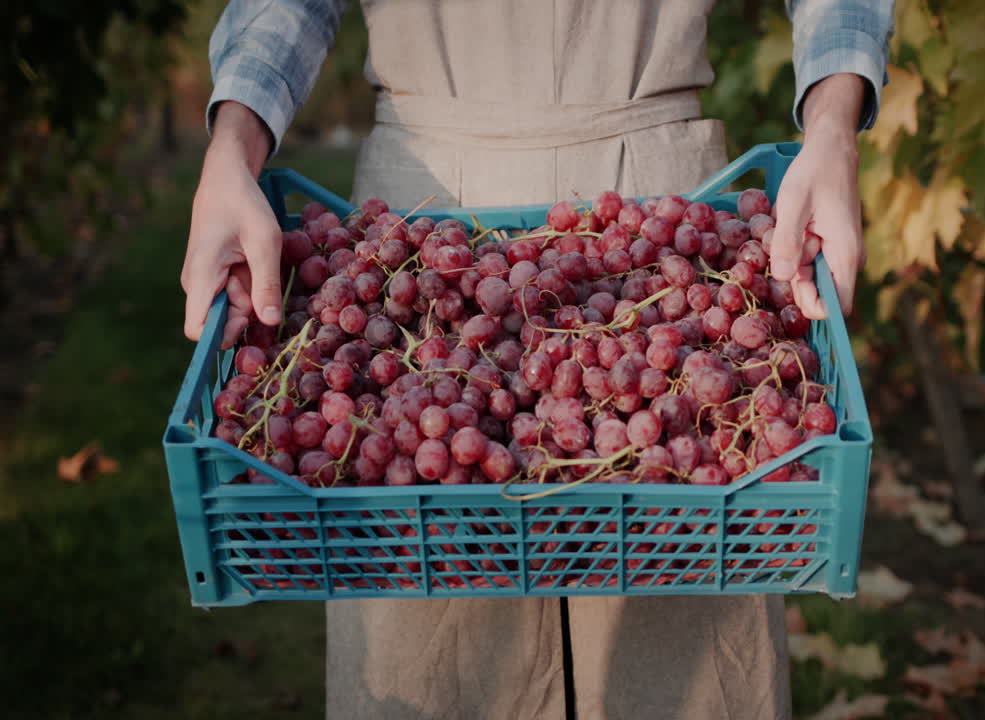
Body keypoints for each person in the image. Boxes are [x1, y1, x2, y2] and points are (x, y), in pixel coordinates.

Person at [181, 2, 892, 718]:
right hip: (423, 219)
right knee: (443, 656)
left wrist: (833, 131)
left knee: (683, 637)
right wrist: (232, 149)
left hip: (660, 210)